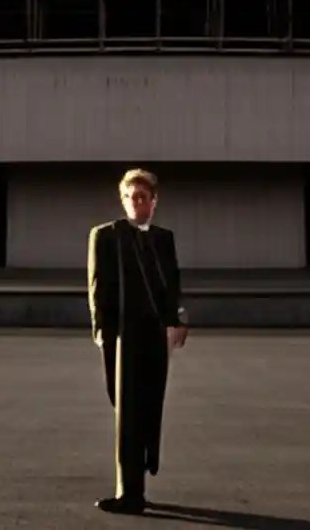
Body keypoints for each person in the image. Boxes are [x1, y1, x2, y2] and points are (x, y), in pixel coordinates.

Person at [87, 168, 188, 514]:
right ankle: (129, 492)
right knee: (125, 410)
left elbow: (172, 284)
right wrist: (101, 332)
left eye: (142, 197)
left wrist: (178, 320)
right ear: (123, 199)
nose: (135, 203)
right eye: (130, 197)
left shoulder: (164, 238)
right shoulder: (106, 236)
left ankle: (137, 484)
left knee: (147, 410)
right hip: (123, 337)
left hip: (155, 336)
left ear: (154, 202)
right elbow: (97, 287)